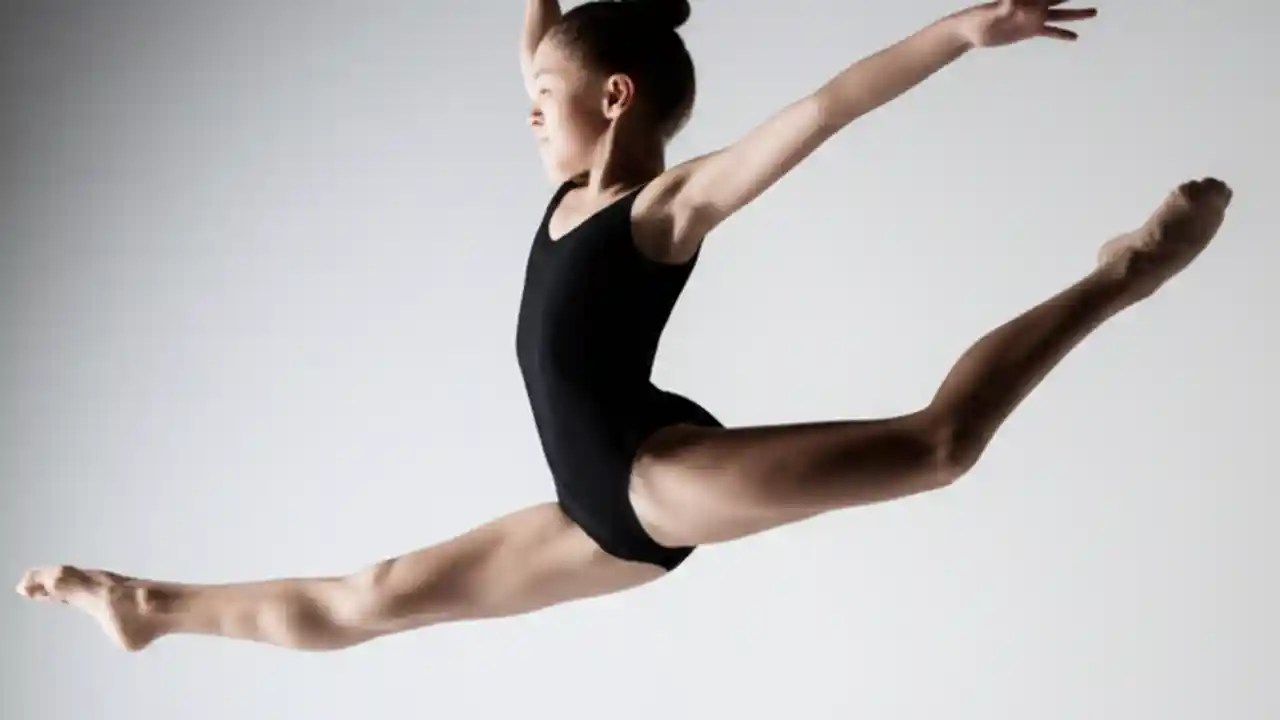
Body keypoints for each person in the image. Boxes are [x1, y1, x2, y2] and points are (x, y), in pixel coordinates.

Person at [16, 0, 1232, 653]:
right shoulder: (565, 185)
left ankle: (1124, 271)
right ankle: (145, 605)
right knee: (366, 598)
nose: (525, 111)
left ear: (612, 97)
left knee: (937, 446)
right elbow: (538, 35)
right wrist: (543, 35)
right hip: (589, 509)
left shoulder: (663, 207)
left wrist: (953, 34)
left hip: (653, 476)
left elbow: (822, 110)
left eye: (543, 97)